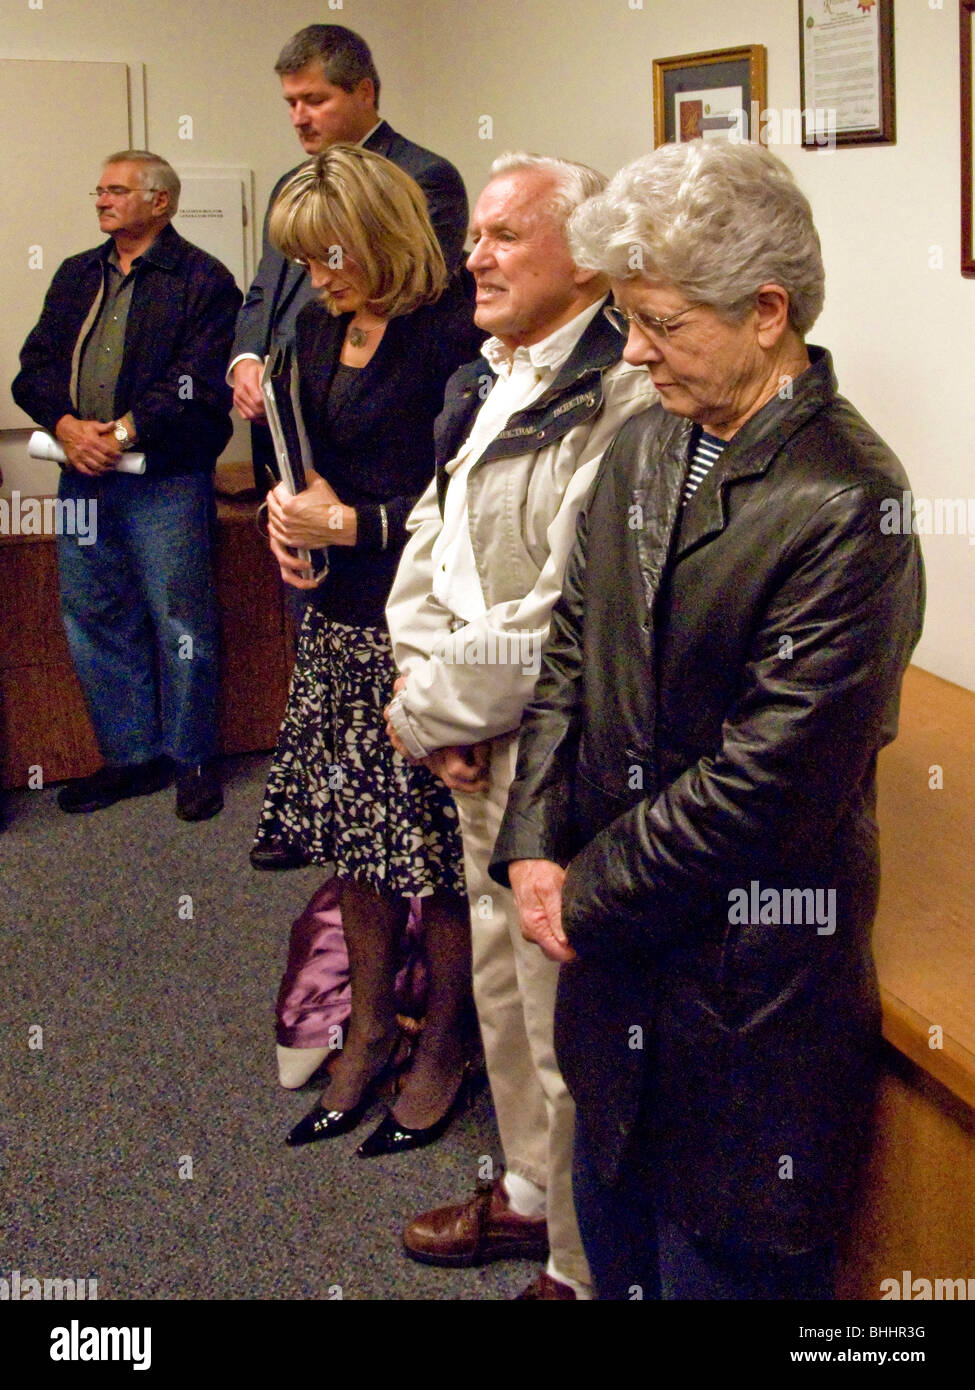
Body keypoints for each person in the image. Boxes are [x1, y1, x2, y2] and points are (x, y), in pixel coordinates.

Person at [489, 140, 926, 1300]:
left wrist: (579, 893)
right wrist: (532, 840)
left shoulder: (849, 503)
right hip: (620, 973)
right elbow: (570, 661)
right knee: (619, 1247)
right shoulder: (645, 442)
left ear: (767, 311)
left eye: (662, 322)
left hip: (748, 1001)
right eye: (628, 315)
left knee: (718, 1270)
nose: (633, 349)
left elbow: (767, 786)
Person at [384, 153, 657, 1299]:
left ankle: (582, 1266)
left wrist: (431, 709)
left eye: (502, 236)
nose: (472, 258)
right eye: (475, 235)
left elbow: (560, 615)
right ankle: (533, 1202)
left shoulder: (623, 392)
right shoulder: (490, 370)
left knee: (562, 1027)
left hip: (547, 757)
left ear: (585, 256)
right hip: (463, 749)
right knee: (499, 993)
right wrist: (421, 705)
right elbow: (427, 553)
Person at [252, 145, 484, 1155]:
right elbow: (299, 460)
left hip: (423, 627)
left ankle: (443, 1045)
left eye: (332, 256)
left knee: (435, 858)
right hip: (338, 628)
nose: (318, 279)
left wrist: (357, 528)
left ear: (386, 235)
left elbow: (469, 507)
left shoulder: (455, 332)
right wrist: (281, 515)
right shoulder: (316, 323)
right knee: (358, 846)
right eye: (304, 261)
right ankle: (368, 1030)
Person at [12, 150, 241, 821]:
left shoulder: (203, 280)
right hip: (82, 481)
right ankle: (130, 757)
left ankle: (192, 758)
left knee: (181, 618)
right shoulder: (77, 274)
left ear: (160, 201)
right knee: (93, 614)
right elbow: (35, 367)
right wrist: (66, 424)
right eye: (100, 190)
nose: (102, 201)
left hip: (164, 480)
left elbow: (197, 382)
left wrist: (118, 434)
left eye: (117, 191)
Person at [229, 22, 469, 527]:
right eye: (290, 103)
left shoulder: (423, 175)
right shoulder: (292, 186)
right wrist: (248, 360)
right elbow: (265, 291)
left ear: (364, 92)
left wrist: (349, 526)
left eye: (313, 100)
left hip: (385, 437)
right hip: (298, 429)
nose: (299, 118)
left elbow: (415, 297)